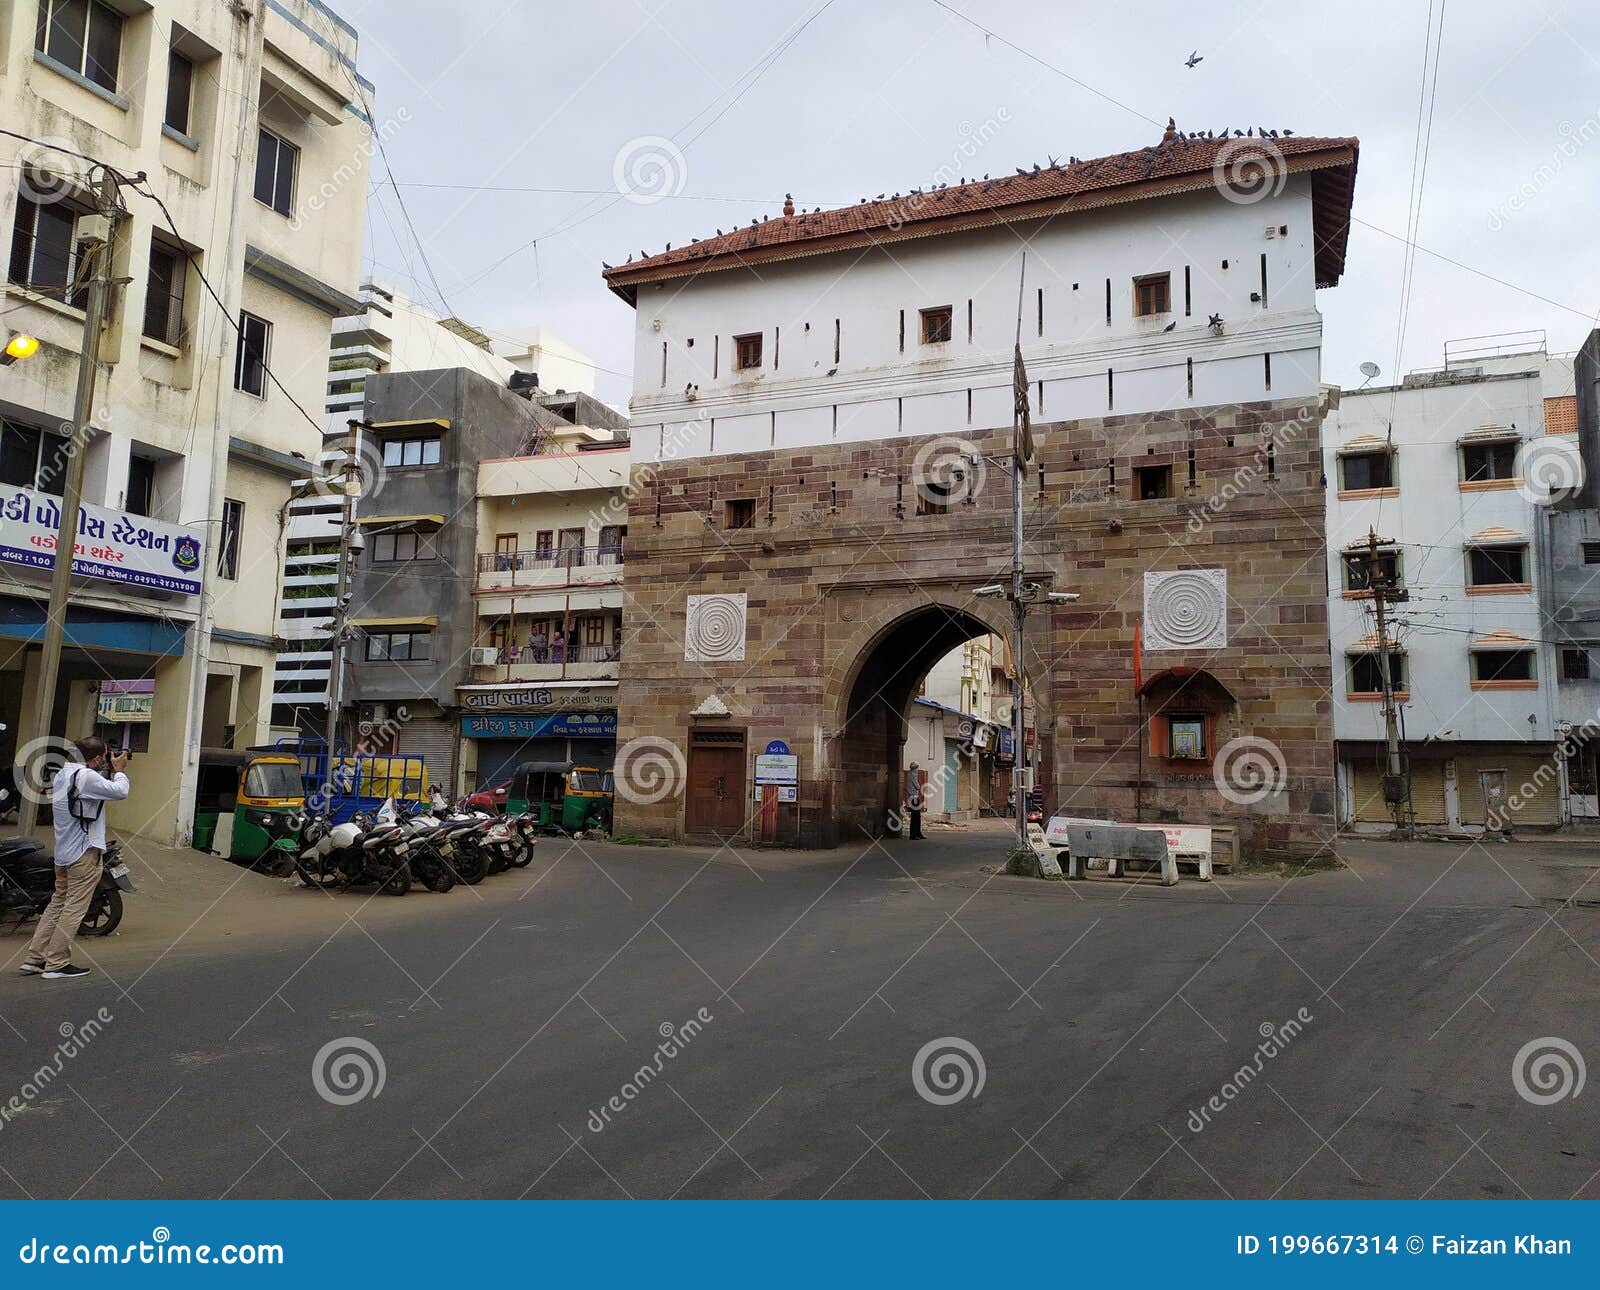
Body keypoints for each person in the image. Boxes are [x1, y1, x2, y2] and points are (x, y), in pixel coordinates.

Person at [19, 737, 130, 980]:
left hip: (63, 853)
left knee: (57, 904)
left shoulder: (63, 775)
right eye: (106, 755)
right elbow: (120, 792)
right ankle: (56, 963)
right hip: (83, 853)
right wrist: (119, 771)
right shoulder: (86, 777)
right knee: (74, 908)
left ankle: (35, 958)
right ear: (98, 758)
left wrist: (107, 771)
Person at [905, 762, 925, 840]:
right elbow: (917, 786)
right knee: (915, 816)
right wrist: (919, 786)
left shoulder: (910, 774)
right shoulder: (913, 775)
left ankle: (918, 833)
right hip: (913, 797)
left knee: (917, 816)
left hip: (913, 797)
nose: (917, 770)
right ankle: (913, 834)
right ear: (915, 768)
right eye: (917, 768)